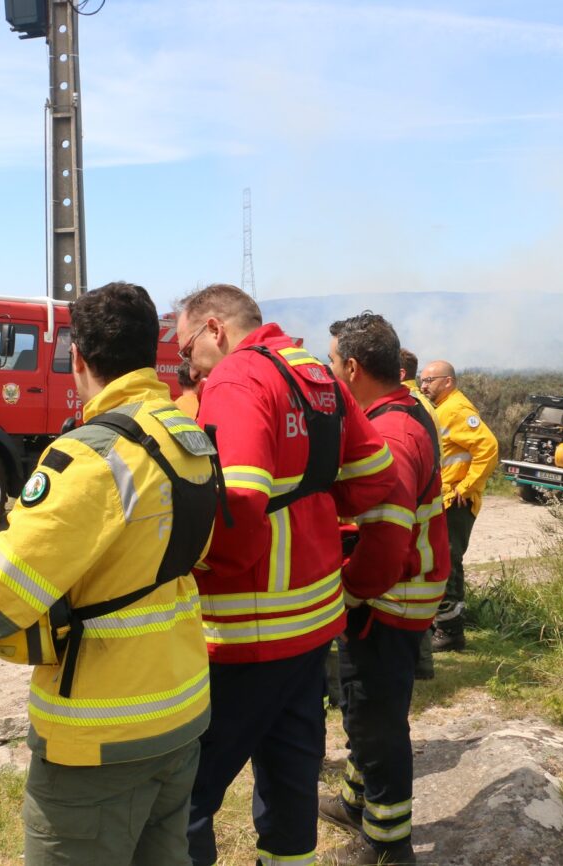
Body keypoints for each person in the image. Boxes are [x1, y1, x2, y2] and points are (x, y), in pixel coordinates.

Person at [0, 282, 218, 866]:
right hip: (180, 712)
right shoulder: (188, 435)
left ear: (76, 358)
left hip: (103, 735)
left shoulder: (90, 458)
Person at [175, 284, 401, 866]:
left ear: (215, 330)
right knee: (291, 782)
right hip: (313, 622)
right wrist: (315, 507)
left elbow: (241, 504)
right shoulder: (314, 373)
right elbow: (375, 474)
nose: (188, 364)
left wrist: (192, 569)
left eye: (187, 348)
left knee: (183, 798)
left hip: (247, 630)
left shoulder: (236, 378)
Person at [322, 313, 451, 866]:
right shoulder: (398, 413)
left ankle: (388, 842)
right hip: (396, 596)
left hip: (387, 600)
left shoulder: (391, 434)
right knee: (364, 707)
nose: (328, 372)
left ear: (351, 367)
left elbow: (385, 542)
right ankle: (357, 802)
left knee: (375, 719)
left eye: (331, 362)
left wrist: (347, 594)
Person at [418, 361, 498, 652]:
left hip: (457, 502)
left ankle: (451, 632)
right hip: (445, 500)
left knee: (449, 563)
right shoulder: (442, 409)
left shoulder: (456, 410)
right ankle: (438, 625)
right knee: (440, 562)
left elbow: (488, 447)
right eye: (422, 380)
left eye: (430, 380)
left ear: (448, 381)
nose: (424, 385)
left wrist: (467, 487)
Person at [399, 349, 437, 681]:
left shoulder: (406, 407)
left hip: (412, 506)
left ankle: (419, 663)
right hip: (426, 503)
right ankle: (423, 662)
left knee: (410, 582)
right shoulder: (423, 405)